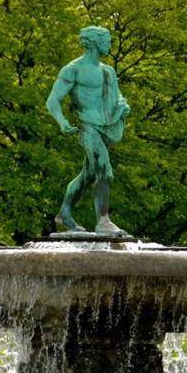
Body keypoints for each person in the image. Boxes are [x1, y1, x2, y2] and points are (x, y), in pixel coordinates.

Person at [46, 26, 130, 235]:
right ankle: (103, 221)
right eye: (107, 40)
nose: (110, 44)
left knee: (87, 175)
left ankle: (64, 213)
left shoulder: (108, 71)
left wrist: (123, 107)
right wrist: (61, 121)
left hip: (105, 126)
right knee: (104, 170)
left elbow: (116, 98)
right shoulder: (73, 69)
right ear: (94, 43)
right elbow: (53, 100)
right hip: (86, 126)